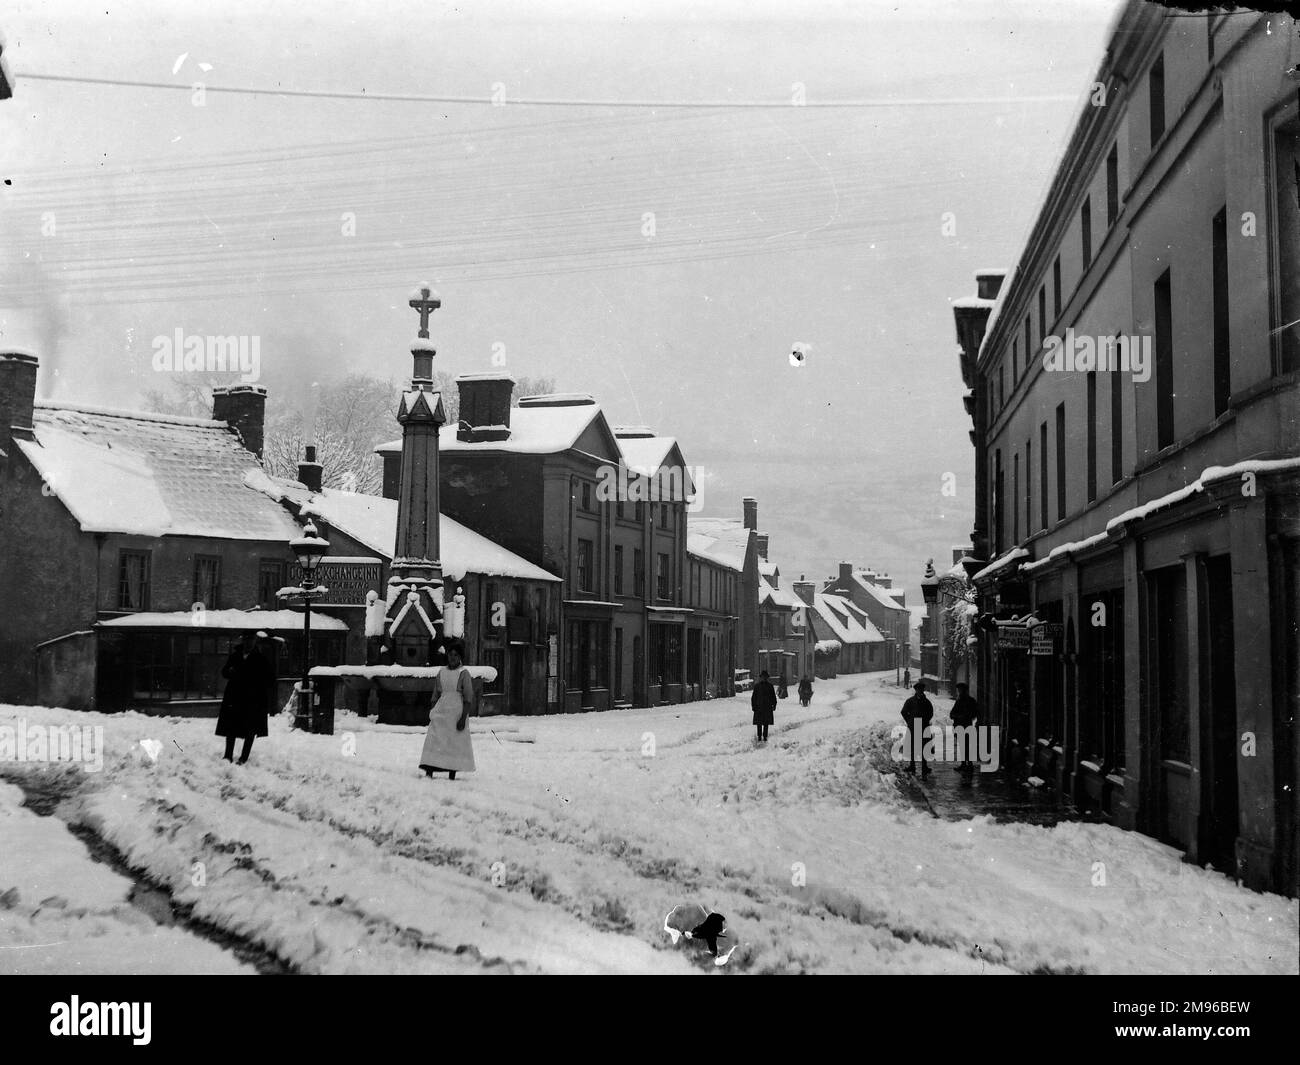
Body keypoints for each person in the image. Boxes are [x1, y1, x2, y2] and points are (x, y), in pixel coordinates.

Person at [420, 639, 476, 780]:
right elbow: (435, 694)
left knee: (453, 741)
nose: (452, 658)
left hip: (456, 712)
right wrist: (433, 711)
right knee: (435, 738)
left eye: (456, 655)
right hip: (441, 710)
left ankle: (452, 771)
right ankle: (430, 769)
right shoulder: (441, 672)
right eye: (450, 654)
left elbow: (468, 697)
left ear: (460, 657)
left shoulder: (464, 674)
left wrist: (463, 718)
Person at [216, 631, 275, 764]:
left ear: (255, 641)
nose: (249, 642)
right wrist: (229, 671)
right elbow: (224, 672)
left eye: (252, 640)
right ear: (243, 640)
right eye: (247, 639)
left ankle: (243, 758)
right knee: (231, 728)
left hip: (252, 701)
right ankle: (228, 756)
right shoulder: (235, 656)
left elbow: (270, 679)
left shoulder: (260, 659)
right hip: (235, 698)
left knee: (250, 730)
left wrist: (258, 685)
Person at [900, 680, 934, 776]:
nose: (920, 691)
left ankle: (924, 767)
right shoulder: (910, 701)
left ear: (923, 690)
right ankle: (912, 766)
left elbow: (930, 713)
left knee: (924, 747)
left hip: (924, 727)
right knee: (912, 747)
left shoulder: (927, 702)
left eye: (921, 689)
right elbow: (903, 712)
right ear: (916, 690)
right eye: (918, 689)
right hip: (913, 727)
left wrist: (925, 720)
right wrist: (909, 721)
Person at [950, 681, 980, 774]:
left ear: (965, 690)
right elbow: (952, 713)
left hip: (966, 726)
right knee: (963, 746)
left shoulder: (971, 701)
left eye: (960, 690)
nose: (959, 691)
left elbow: (974, 713)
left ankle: (969, 764)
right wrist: (956, 716)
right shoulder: (958, 700)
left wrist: (964, 716)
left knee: (967, 746)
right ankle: (964, 764)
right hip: (959, 726)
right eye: (958, 690)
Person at [751, 670, 776, 743]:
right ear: (761, 677)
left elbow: (773, 697)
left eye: (765, 677)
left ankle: (765, 736)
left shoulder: (770, 686)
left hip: (767, 707)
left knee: (766, 723)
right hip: (759, 707)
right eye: (763, 677)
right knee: (759, 723)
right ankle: (759, 736)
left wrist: (774, 704)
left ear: (767, 678)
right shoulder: (757, 686)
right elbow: (754, 697)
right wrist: (753, 706)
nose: (764, 678)